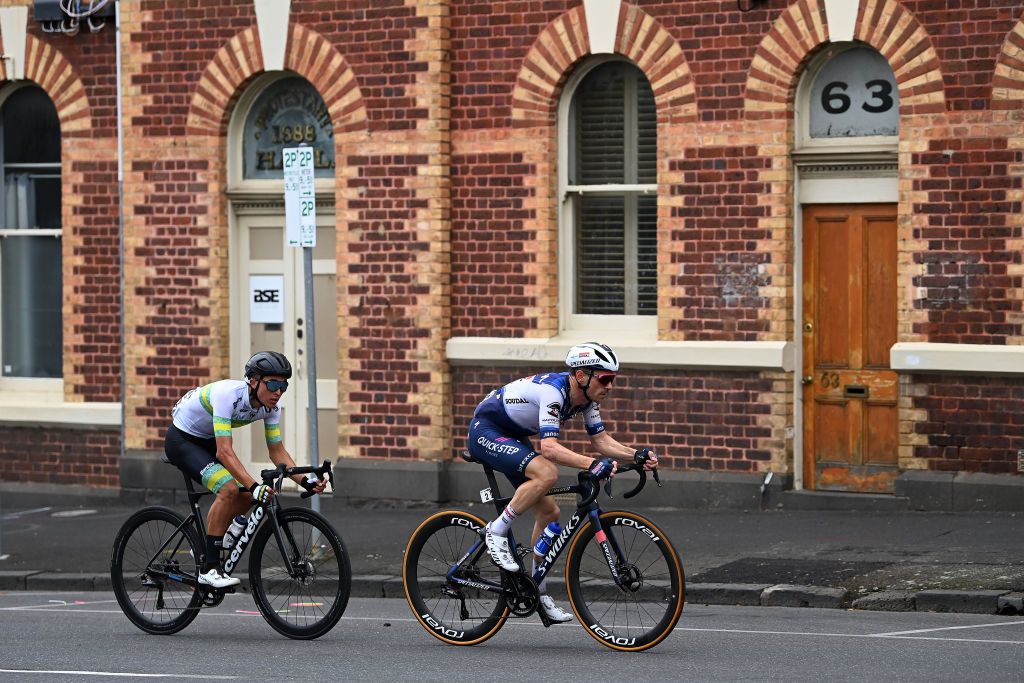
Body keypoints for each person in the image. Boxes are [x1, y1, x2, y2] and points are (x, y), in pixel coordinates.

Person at [467, 341, 658, 623]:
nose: (610, 385)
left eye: (613, 379)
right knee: (547, 472)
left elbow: (601, 440)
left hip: (513, 435)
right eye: (605, 378)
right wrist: (592, 464)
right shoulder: (554, 392)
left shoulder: (588, 400)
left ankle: (538, 592)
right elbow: (550, 449)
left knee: (550, 513)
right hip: (487, 431)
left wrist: (636, 454)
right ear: (582, 376)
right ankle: (496, 531)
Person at [163, 351, 326, 588]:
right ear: (253, 381)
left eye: (283, 385)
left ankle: (210, 543)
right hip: (182, 440)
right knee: (230, 489)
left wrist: (307, 482)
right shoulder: (227, 396)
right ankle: (209, 569)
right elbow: (224, 452)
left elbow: (277, 452)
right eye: (272, 384)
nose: (278, 392)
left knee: (247, 496)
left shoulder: (271, 408)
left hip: (206, 439)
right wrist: (254, 485)